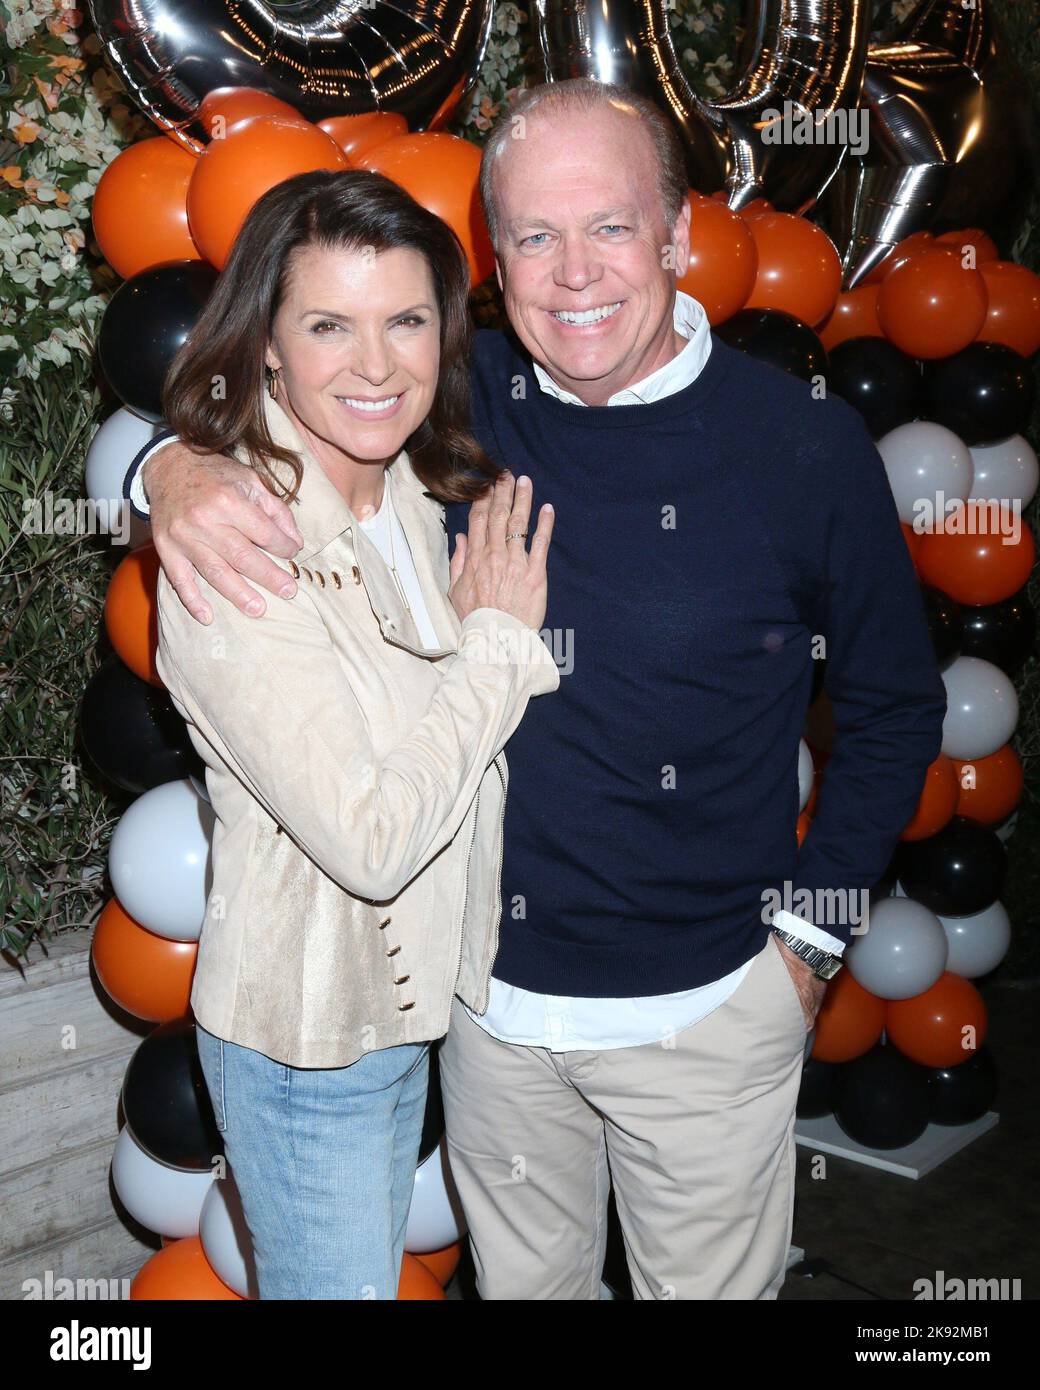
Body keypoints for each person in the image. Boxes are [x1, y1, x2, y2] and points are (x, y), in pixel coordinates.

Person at [126, 79, 947, 1300]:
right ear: (492, 260)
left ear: (676, 237)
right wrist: (172, 471)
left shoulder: (800, 444)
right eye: (533, 237)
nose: (574, 275)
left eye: (609, 228)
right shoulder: (461, 402)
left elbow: (892, 708)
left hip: (710, 1016)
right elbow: (294, 392)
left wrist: (809, 943)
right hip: (487, 1021)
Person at [149, 166, 559, 1299]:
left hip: (401, 1019)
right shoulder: (237, 546)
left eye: (406, 321)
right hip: (304, 1042)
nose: (375, 366)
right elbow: (371, 840)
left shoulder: (417, 503)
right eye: (328, 325)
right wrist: (495, 651)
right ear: (266, 344)